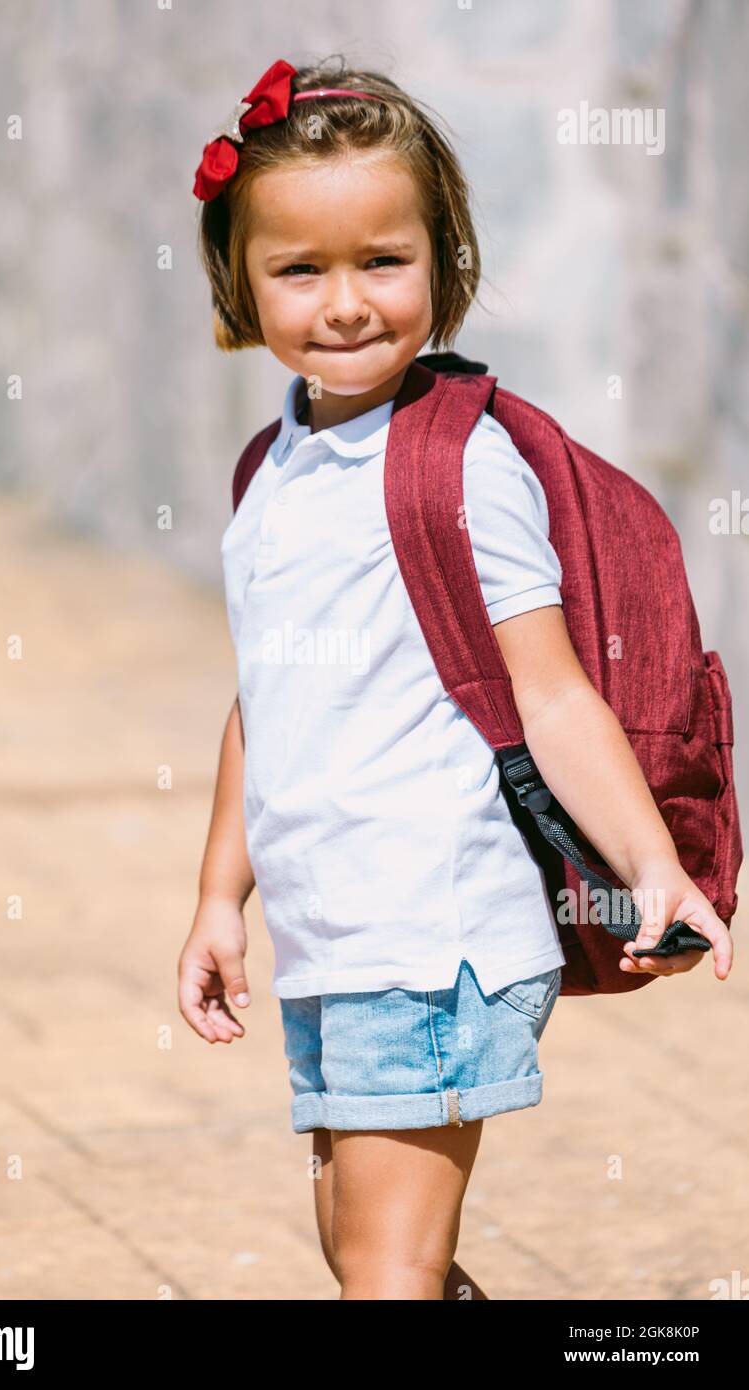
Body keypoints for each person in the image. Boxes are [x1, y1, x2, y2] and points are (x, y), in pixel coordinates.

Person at [178, 57, 733, 1301]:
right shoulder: (271, 468)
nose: (344, 303)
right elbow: (259, 703)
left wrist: (655, 866)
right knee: (361, 1245)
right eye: (297, 269)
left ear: (443, 260)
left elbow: (548, 695)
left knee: (383, 1265)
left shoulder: (457, 467)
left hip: (428, 930)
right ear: (237, 280)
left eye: (382, 259)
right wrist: (221, 899)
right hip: (331, 934)